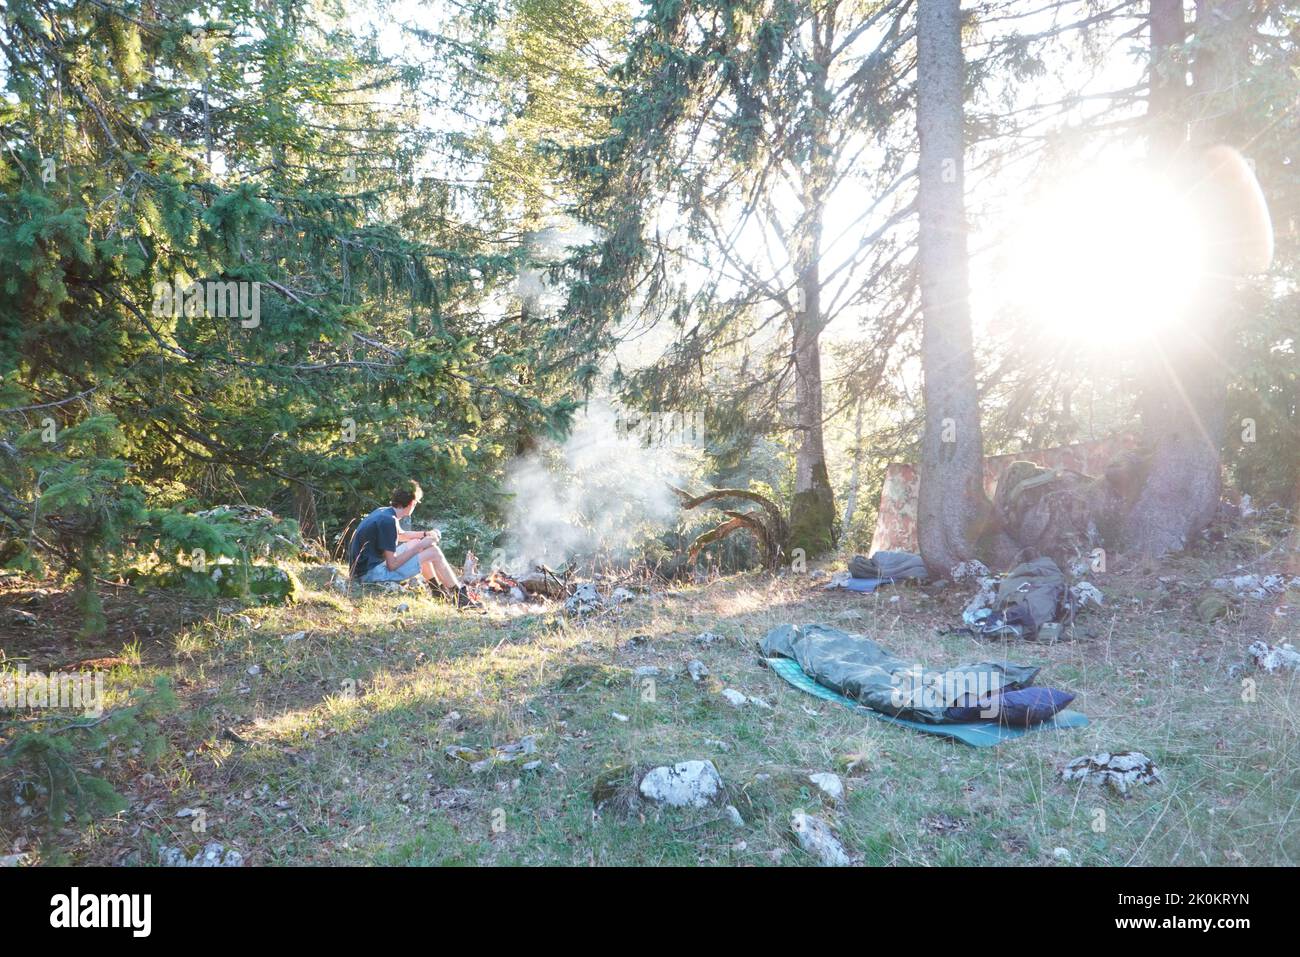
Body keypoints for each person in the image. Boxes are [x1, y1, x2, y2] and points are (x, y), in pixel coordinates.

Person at [347, 480, 481, 609]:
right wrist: (419, 547)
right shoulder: (389, 521)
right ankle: (461, 598)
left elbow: (401, 535)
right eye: (416, 503)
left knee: (418, 543)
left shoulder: (384, 512)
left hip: (364, 569)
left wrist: (425, 534)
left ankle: (437, 592)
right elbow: (392, 565)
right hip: (370, 575)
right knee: (434, 552)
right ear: (412, 503)